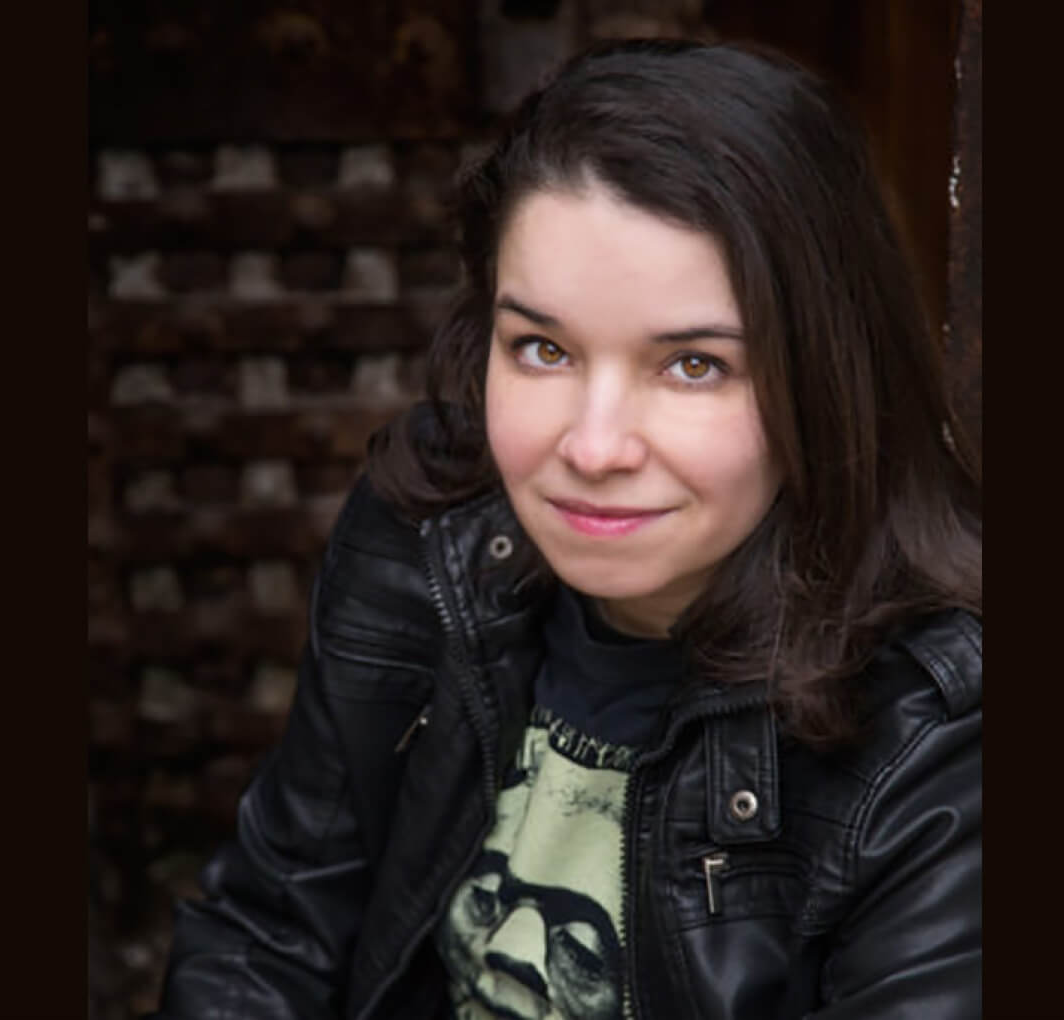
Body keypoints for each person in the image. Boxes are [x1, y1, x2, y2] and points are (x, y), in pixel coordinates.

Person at [153, 37, 981, 1019]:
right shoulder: (429, 541)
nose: (591, 447)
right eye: (540, 348)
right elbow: (269, 932)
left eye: (691, 366)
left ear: (823, 378)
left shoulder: (935, 734)